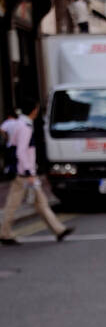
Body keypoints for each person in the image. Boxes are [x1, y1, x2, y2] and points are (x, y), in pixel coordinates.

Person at [0, 100, 71, 245]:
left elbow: (9, 140)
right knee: (13, 205)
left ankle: (59, 230)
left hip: (25, 172)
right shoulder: (25, 127)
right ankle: (4, 233)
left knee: (41, 203)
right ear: (34, 110)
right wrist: (29, 172)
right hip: (24, 174)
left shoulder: (16, 124)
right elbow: (21, 151)